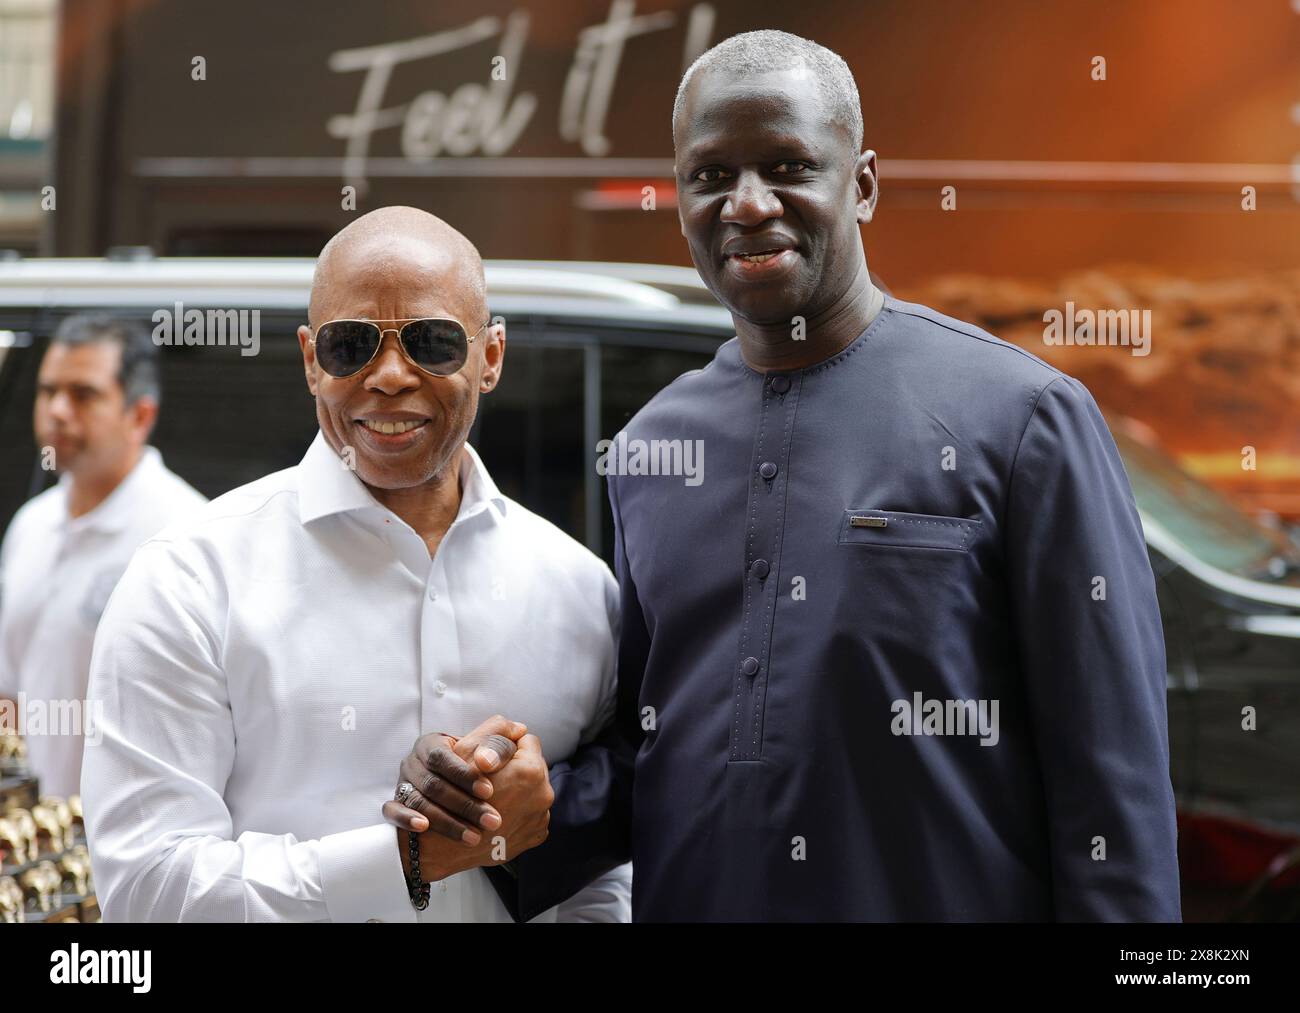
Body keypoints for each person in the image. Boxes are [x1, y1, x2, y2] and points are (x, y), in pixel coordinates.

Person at [393, 30, 1182, 921]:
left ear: (865, 184)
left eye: (788, 165)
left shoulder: (1022, 417)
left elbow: (1111, 787)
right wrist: (492, 807)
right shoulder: (655, 445)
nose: (749, 203)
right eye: (711, 174)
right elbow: (653, 752)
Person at [81, 207, 630, 922]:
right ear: (311, 359)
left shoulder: (581, 592)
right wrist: (403, 861)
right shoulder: (188, 581)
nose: (391, 375)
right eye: (351, 346)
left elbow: (602, 883)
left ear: (491, 356)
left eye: (433, 342)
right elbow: (147, 889)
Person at [0, 315, 205, 797]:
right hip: (39, 847)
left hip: (141, 848)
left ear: (140, 416)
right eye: (47, 391)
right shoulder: (32, 524)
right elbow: (9, 692)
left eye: (83, 395)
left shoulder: (187, 533)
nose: (57, 411)